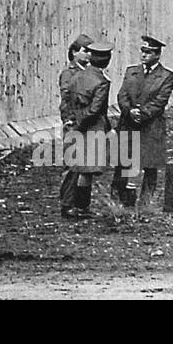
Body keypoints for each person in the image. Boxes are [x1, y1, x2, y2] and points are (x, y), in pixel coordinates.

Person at [114, 35, 173, 209]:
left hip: (150, 126)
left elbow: (160, 101)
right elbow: (122, 95)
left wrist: (142, 113)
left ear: (157, 55)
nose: (143, 55)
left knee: (149, 165)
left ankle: (146, 203)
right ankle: (122, 201)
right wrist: (129, 110)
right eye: (142, 51)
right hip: (128, 124)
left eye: (148, 52)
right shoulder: (131, 71)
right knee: (125, 162)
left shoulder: (166, 76)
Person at [61, 41, 113, 218]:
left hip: (75, 124)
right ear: (107, 61)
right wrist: (82, 122)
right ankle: (81, 207)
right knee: (87, 171)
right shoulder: (102, 82)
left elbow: (67, 99)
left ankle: (72, 205)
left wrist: (73, 121)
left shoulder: (76, 76)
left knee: (75, 167)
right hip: (91, 128)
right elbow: (96, 109)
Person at [58, 34, 93, 217]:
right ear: (74, 52)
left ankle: (82, 205)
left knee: (86, 164)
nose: (88, 55)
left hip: (86, 123)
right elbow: (67, 99)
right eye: (85, 51)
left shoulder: (89, 72)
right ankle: (67, 204)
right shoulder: (69, 73)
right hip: (74, 124)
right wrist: (69, 121)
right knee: (71, 165)